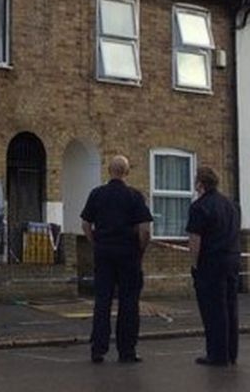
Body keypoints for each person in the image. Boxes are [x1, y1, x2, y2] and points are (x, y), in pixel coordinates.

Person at [80, 155, 153, 364]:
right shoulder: (134, 196)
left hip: (104, 253)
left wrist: (95, 243)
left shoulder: (97, 194)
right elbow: (145, 230)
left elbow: (85, 224)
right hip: (128, 253)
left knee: (102, 301)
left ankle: (98, 349)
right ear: (126, 172)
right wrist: (140, 250)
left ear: (109, 171)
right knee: (129, 302)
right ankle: (127, 351)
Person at [187, 166, 240, 367]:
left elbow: (195, 239)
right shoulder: (232, 205)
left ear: (200, 183)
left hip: (211, 262)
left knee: (213, 309)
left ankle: (217, 355)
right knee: (230, 306)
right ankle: (231, 352)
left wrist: (194, 264)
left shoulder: (199, 207)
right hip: (232, 260)